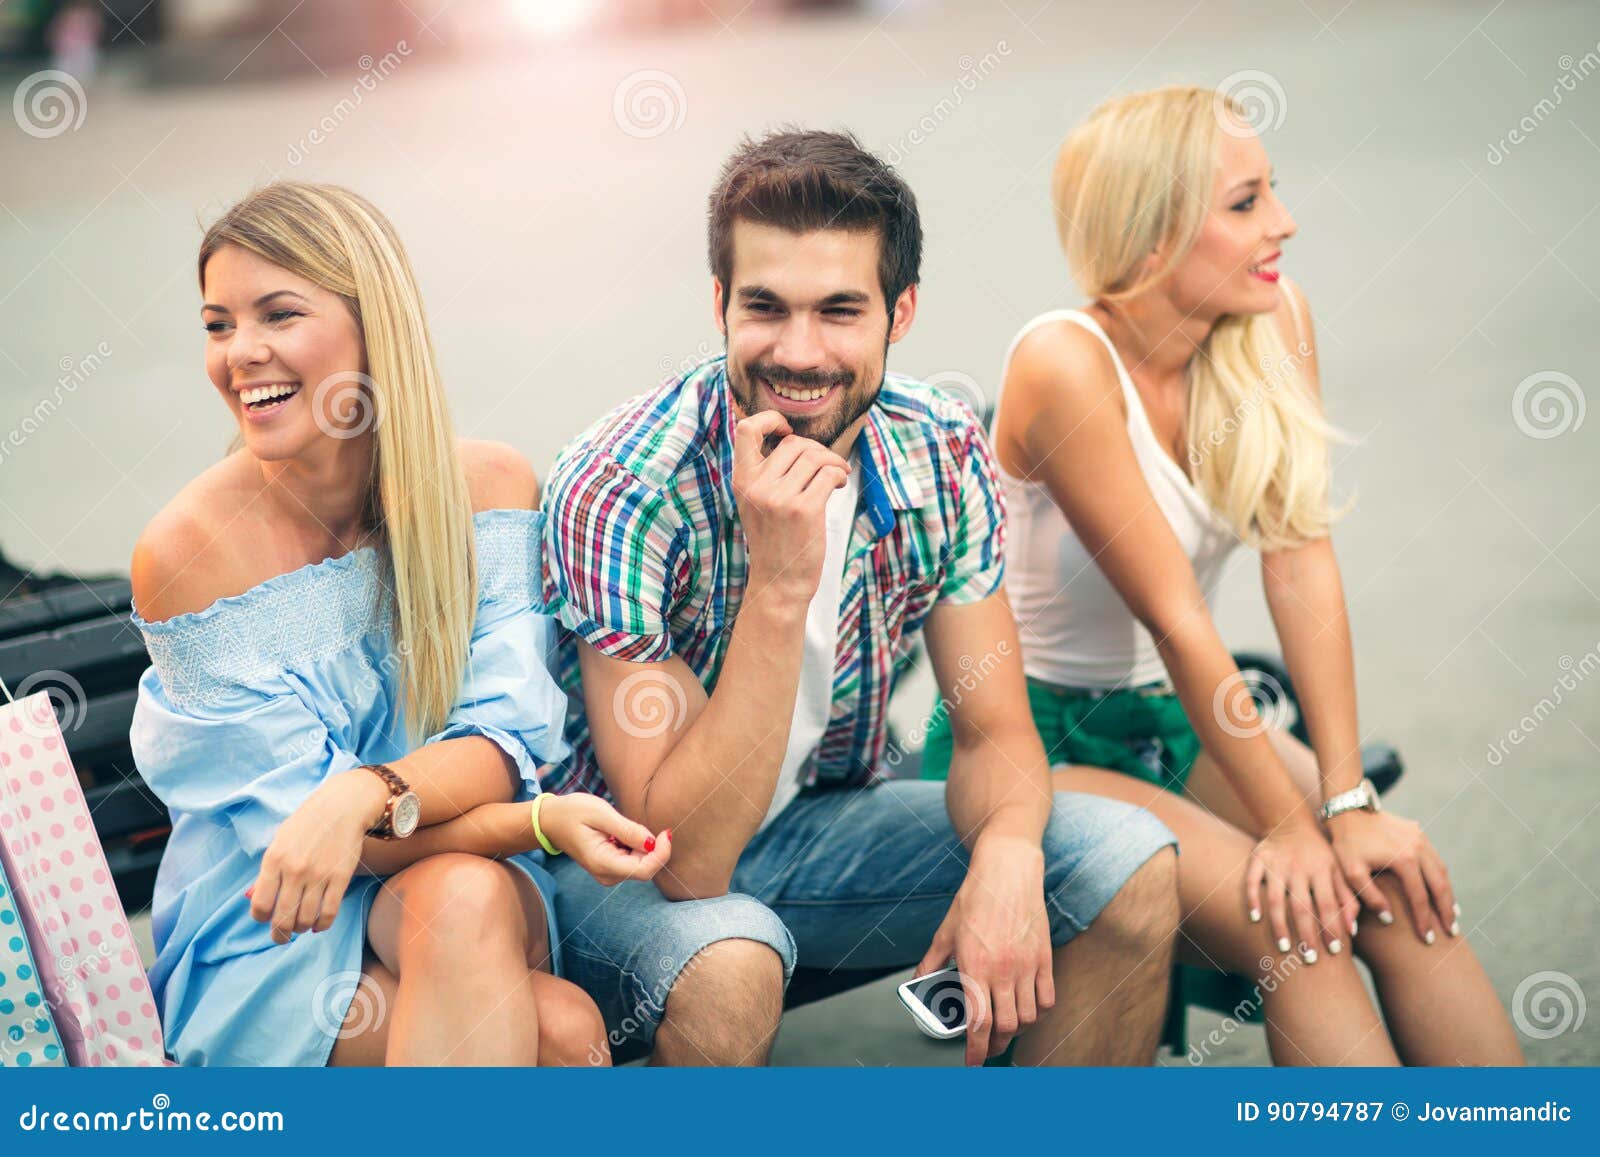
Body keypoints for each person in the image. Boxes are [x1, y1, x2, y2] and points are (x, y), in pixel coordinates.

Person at [540, 129, 1180, 1067]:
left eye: (841, 310)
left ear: (901, 311)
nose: (800, 352)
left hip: (818, 824)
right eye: (766, 307)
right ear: (719, 304)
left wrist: (1008, 849)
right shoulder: (624, 487)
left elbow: (996, 731)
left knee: (1127, 863)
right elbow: (685, 860)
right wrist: (781, 580)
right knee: (729, 959)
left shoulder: (940, 445)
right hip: (608, 869)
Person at [922, 85, 1523, 1065]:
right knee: (1306, 934)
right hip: (1026, 742)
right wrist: (1290, 825)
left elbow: (1301, 562)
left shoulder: (1270, 318)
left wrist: (1344, 803)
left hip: (1173, 716)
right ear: (1150, 237)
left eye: (1270, 193)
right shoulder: (1060, 362)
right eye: (1244, 204)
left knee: (1402, 894)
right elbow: (1174, 617)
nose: (1282, 222)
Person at [129, 181, 671, 1067]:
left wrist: (360, 793)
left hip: (460, 890)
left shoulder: (487, 492)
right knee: (563, 1032)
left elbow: (497, 743)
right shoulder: (189, 554)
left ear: (370, 324)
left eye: (278, 314)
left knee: (465, 902)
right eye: (218, 323)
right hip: (275, 924)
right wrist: (531, 823)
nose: (241, 353)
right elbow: (319, 855)